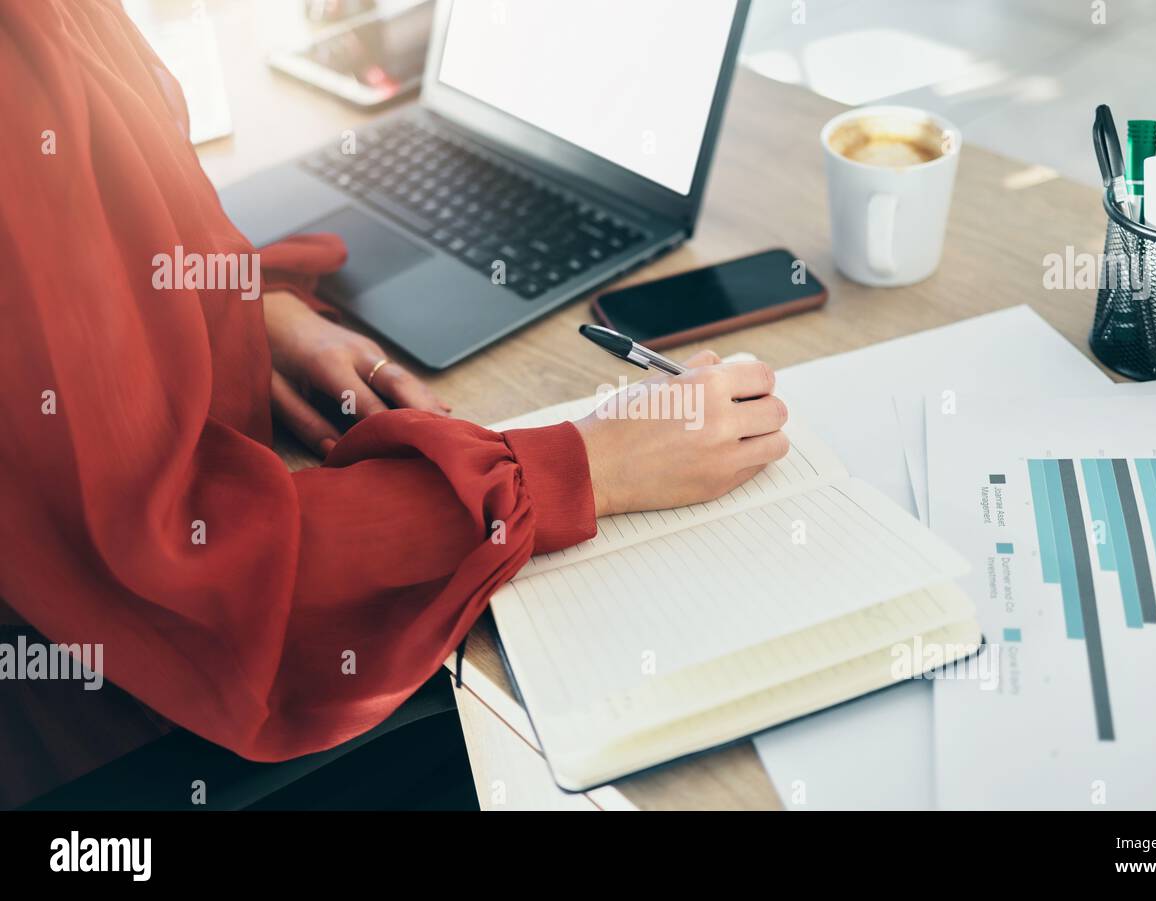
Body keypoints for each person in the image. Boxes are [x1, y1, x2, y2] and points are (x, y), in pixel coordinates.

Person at [0, 0, 788, 761]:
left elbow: (100, 258)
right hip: (119, 726)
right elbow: (172, 579)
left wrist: (243, 315)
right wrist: (588, 467)